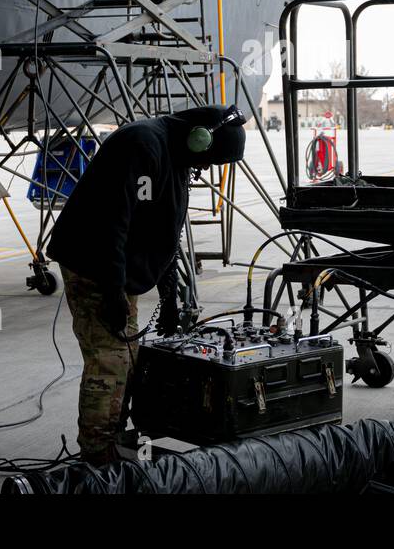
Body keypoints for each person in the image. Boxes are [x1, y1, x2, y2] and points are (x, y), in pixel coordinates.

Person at [46, 103, 247, 463]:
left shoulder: (176, 154)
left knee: (127, 356)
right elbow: (113, 222)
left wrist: (168, 295)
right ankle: (96, 454)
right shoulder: (143, 145)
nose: (205, 169)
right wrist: (112, 291)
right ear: (200, 140)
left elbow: (164, 232)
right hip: (94, 265)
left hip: (116, 270)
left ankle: (112, 435)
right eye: (210, 160)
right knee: (110, 360)